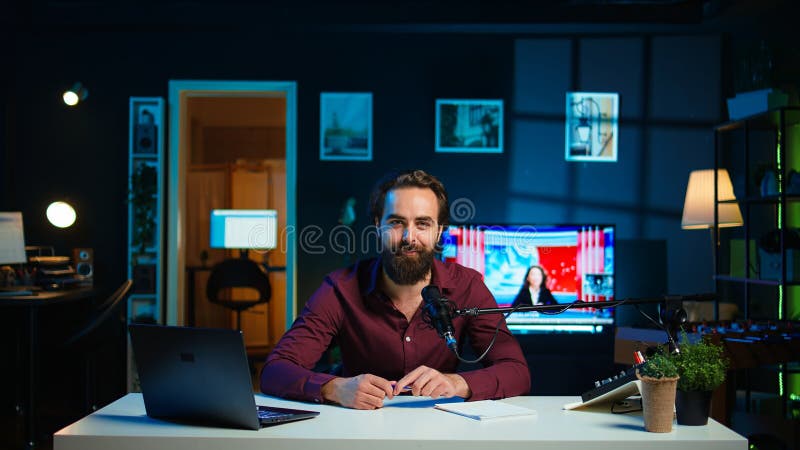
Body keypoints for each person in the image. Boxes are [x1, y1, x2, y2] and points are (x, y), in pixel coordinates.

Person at [260, 169, 530, 409]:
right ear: (378, 224)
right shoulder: (340, 288)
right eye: (396, 222)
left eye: (422, 224)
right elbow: (275, 371)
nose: (408, 238)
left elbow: (516, 372)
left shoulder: (467, 285)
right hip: (358, 433)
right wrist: (334, 387)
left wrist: (456, 383)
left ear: (439, 231)